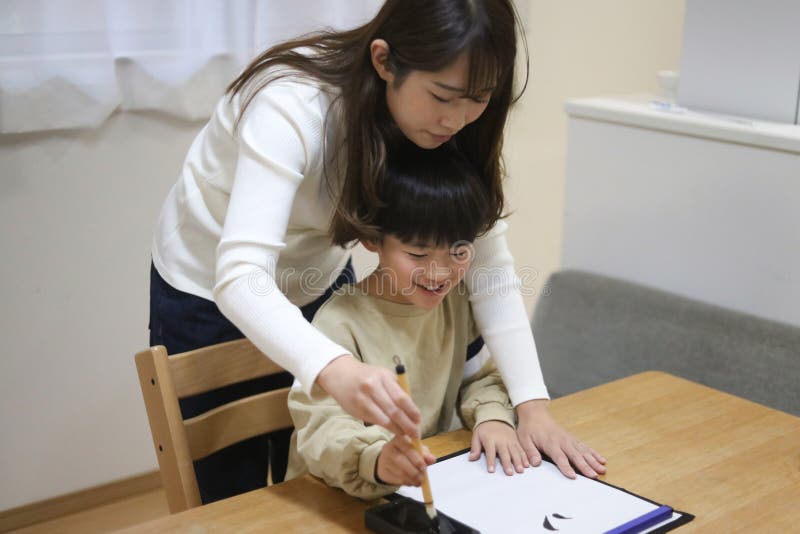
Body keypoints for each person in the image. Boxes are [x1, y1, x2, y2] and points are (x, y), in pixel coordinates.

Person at [149, 0, 604, 503]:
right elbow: (239, 278)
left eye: (479, 98)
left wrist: (533, 407)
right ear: (385, 61)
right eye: (444, 96)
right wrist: (337, 369)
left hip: (316, 272)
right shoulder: (292, 107)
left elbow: (491, 270)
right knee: (233, 495)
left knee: (323, 480)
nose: (458, 118)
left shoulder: (442, 124)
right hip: (210, 279)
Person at [287, 141, 527, 499]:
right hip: (335, 499)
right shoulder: (340, 322)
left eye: (459, 252)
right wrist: (377, 459)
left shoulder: (458, 302)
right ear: (372, 239)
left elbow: (481, 379)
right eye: (418, 253)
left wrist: (492, 416)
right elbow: (324, 428)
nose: (439, 272)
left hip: (423, 486)